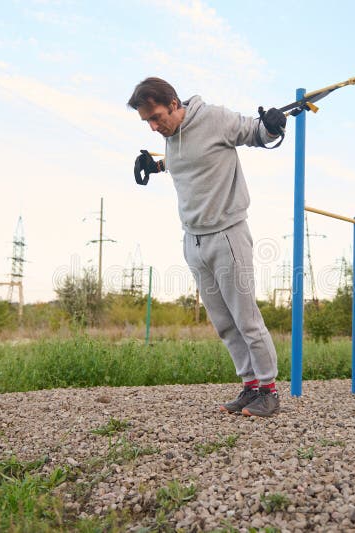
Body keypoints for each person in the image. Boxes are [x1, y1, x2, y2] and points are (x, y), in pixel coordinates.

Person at [128, 77, 286, 417]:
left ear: (173, 103)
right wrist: (155, 166)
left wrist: (272, 127)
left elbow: (255, 132)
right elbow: (187, 161)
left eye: (156, 117)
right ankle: (249, 386)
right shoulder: (172, 138)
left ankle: (269, 391)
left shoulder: (214, 119)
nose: (154, 127)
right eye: (147, 122)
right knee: (224, 322)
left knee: (245, 318)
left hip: (227, 234)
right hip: (193, 240)